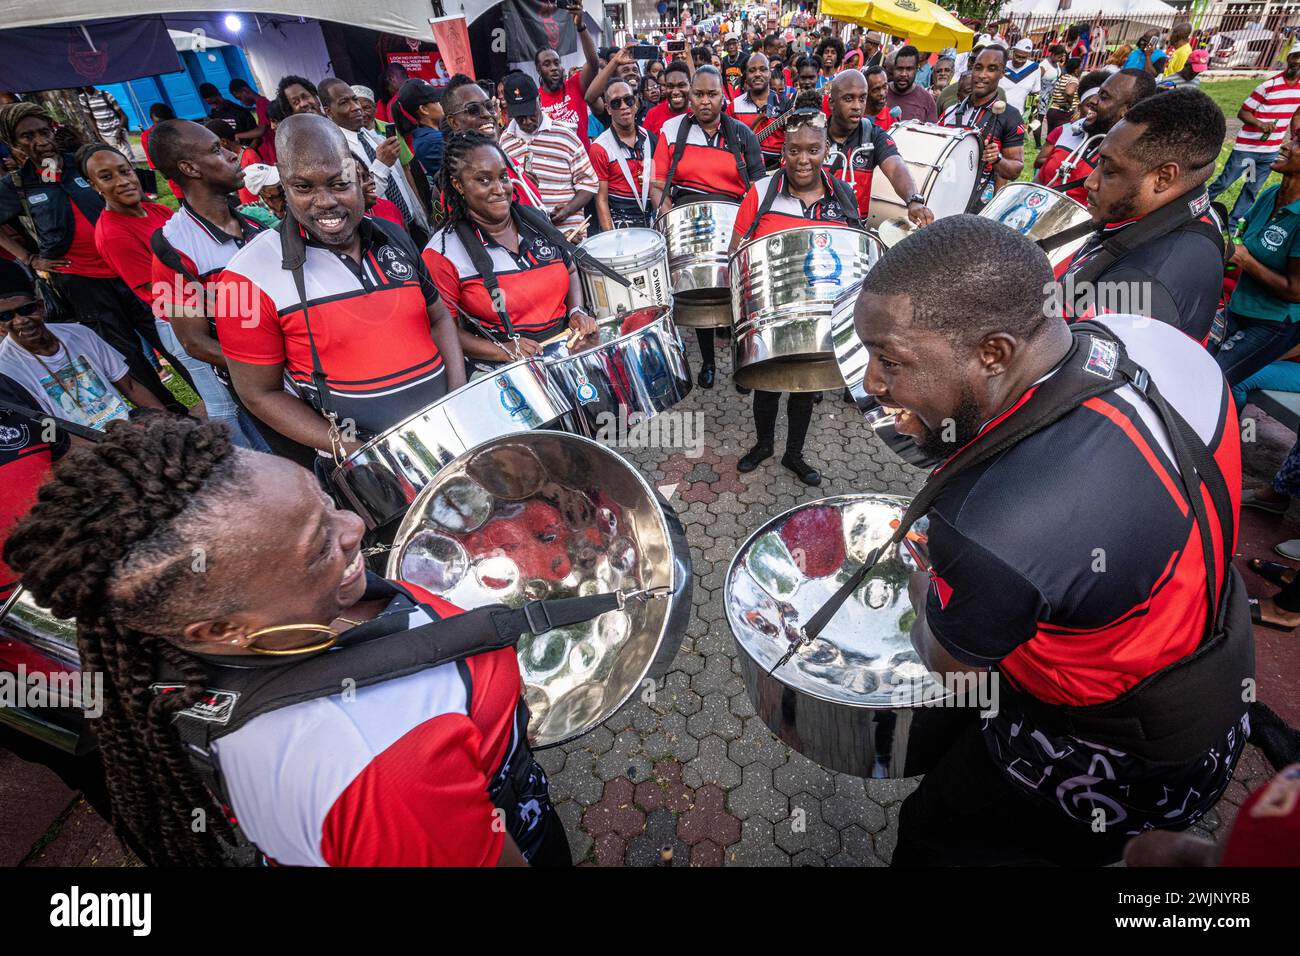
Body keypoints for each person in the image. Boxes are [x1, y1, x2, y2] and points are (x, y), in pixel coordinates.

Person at [852, 215, 1251, 866]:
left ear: (995, 352)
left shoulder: (997, 525)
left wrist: (920, 576)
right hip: (1209, 689)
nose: (872, 383)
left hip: (1107, 755)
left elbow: (953, 667)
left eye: (890, 360)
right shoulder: (1148, 340)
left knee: (935, 835)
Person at [3, 413, 573, 866]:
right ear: (224, 629)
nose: (354, 529)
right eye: (319, 544)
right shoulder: (378, 767)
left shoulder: (236, 630)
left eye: (326, 503)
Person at [211, 114, 464, 459]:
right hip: (369, 462)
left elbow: (439, 319)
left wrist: (458, 396)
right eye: (304, 188)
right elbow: (259, 394)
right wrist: (361, 452)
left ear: (360, 179)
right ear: (284, 186)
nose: (325, 201)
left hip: (451, 431)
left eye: (339, 183)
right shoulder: (242, 278)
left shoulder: (395, 237)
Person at [0, 104, 186, 412]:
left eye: (43, 131)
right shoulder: (18, 184)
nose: (39, 141)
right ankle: (168, 415)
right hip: (82, 283)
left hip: (128, 268)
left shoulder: (84, 164)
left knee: (168, 336)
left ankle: (209, 394)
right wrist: (29, 258)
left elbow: (141, 189)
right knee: (125, 353)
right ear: (14, 141)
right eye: (27, 136)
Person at [728, 109, 864, 486]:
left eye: (813, 150)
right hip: (775, 313)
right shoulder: (760, 193)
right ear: (782, 151)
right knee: (768, 385)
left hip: (824, 315)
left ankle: (794, 454)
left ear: (826, 151)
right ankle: (764, 445)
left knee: (806, 387)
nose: (803, 160)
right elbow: (736, 253)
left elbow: (856, 251)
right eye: (794, 151)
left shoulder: (843, 196)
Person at [1061, 89, 1226, 344]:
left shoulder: (1141, 286)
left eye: (1110, 170)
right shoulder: (1192, 210)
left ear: (1163, 178)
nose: (1090, 182)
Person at [145, 120, 270, 453]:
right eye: (217, 149)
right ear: (189, 168)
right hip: (261, 394)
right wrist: (271, 363)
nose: (232, 155)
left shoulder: (256, 223)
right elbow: (194, 342)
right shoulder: (172, 245)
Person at [422, 131, 597, 366]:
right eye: (483, 180)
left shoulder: (536, 222)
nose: (499, 189)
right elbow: (443, 330)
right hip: (504, 369)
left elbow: (570, 269)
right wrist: (502, 350)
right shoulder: (443, 252)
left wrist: (576, 311)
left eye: (503, 177)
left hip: (565, 352)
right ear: (458, 185)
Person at [651, 66, 764, 390]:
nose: (704, 101)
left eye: (711, 94)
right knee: (699, 290)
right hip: (689, 223)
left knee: (739, 297)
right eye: (698, 94)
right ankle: (710, 363)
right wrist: (664, 205)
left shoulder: (742, 135)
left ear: (723, 97)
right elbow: (659, 185)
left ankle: (745, 362)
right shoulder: (671, 130)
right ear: (689, 96)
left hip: (733, 223)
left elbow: (757, 190)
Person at [0, 270, 164, 427]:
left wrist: (166, 422)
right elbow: (45, 431)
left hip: (126, 428)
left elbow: (130, 387)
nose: (20, 320)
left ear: (40, 307)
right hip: (77, 447)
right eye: (6, 316)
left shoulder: (80, 333)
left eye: (26, 310)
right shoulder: (6, 370)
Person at [1215, 117, 1300, 388]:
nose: (1285, 145)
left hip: (1274, 323)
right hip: (1239, 306)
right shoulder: (1271, 194)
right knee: (1190, 353)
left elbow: (1295, 291)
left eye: (1297, 143)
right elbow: (1240, 236)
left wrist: (1244, 260)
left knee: (1216, 379)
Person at [319, 77, 430, 247]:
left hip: (411, 224)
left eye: (354, 99)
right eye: (344, 103)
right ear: (329, 111)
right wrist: (382, 164)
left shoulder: (372, 135)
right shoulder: (338, 150)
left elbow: (403, 178)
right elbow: (353, 198)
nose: (356, 108)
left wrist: (419, 212)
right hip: (384, 234)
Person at [1208, 42, 1300, 231]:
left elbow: (1296, 113)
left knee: (1251, 189)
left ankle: (1232, 226)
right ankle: (1194, 211)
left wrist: (1294, 136)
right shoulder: (1269, 85)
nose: (1298, 62)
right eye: (1295, 57)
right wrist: (1260, 124)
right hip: (1247, 149)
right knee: (1224, 183)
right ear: (1288, 59)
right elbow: (1243, 112)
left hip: (1270, 151)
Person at [825, 70, 932, 225]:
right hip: (816, 228)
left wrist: (913, 200)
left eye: (862, 99)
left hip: (854, 233)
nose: (857, 106)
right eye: (848, 99)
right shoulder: (814, 134)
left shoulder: (874, 135)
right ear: (832, 102)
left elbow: (896, 168)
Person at [1035, 69, 1156, 205]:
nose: (1092, 100)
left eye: (1103, 96)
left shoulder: (1132, 158)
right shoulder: (1071, 129)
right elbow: (1039, 181)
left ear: (1127, 110)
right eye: (1098, 92)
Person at [499, 73, 599, 234]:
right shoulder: (505, 141)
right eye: (519, 117)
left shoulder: (565, 134)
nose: (526, 122)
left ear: (539, 99)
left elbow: (589, 184)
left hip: (570, 234)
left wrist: (567, 210)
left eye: (530, 113)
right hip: (529, 237)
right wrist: (520, 184)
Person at [84, 144, 175, 306]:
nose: (122, 181)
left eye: (125, 171)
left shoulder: (157, 210)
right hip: (185, 314)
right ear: (94, 185)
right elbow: (162, 292)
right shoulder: (113, 235)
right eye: (106, 177)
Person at [939, 46, 1025, 210]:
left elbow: (1015, 170)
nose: (982, 75)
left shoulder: (1010, 116)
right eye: (978, 68)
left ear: (1002, 73)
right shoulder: (950, 112)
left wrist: (997, 159)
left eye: (991, 69)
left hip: (979, 207)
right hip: (942, 196)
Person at [441, 74, 543, 209]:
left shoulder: (511, 163)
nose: (487, 114)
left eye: (489, 106)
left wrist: (526, 187)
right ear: (454, 122)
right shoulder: (459, 185)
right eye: (473, 110)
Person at [591, 80, 658, 230]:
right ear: (608, 109)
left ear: (635, 103)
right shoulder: (600, 148)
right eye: (616, 103)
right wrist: (611, 238)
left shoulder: (650, 139)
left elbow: (652, 183)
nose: (624, 106)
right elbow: (601, 199)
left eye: (628, 100)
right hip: (620, 228)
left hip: (651, 224)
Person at [535, 1, 601, 146]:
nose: (553, 68)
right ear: (538, 70)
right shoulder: (536, 100)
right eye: (547, 64)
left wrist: (580, 27)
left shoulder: (575, 85)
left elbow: (593, 63)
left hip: (583, 165)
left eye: (556, 63)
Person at [728, 51, 788, 170]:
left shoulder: (784, 103)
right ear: (745, 75)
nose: (757, 74)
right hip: (744, 171)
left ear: (769, 74)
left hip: (776, 171)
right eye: (752, 70)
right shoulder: (734, 106)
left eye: (763, 69)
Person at [392, 78, 445, 187]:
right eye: (436, 101)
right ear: (424, 109)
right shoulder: (432, 141)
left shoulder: (427, 136)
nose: (441, 104)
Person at [200, 119, 262, 206]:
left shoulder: (249, 156)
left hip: (257, 208)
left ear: (224, 142)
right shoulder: (226, 159)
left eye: (214, 146)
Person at [887, 45, 937, 124]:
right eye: (900, 68)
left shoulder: (927, 100)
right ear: (894, 68)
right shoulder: (881, 93)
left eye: (909, 69)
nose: (903, 74)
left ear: (917, 69)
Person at [230, 78, 275, 163]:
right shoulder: (259, 105)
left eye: (240, 98)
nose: (241, 102)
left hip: (274, 149)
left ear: (245, 90)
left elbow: (261, 131)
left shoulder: (262, 104)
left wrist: (238, 135)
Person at [199, 82, 257, 147]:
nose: (214, 107)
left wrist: (249, 151)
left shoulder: (239, 111)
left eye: (215, 103)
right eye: (210, 104)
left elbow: (257, 136)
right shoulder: (214, 114)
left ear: (219, 94)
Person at [77, 86, 131, 154]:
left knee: (128, 159)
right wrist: (100, 138)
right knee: (115, 160)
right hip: (105, 136)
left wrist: (119, 131)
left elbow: (124, 116)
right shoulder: (83, 98)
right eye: (83, 87)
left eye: (87, 86)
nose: (85, 88)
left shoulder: (105, 94)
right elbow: (91, 120)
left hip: (118, 133)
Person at [645, 60, 691, 137]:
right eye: (670, 86)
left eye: (681, 85)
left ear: (690, 86)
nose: (675, 92)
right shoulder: (653, 115)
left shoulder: (698, 115)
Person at [999, 38, 1041, 117]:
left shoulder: (1034, 68)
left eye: (1023, 58)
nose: (1019, 60)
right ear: (1013, 52)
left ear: (1028, 55)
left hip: (1018, 115)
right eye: (1017, 56)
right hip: (998, 111)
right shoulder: (1003, 65)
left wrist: (1032, 115)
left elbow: (1035, 93)